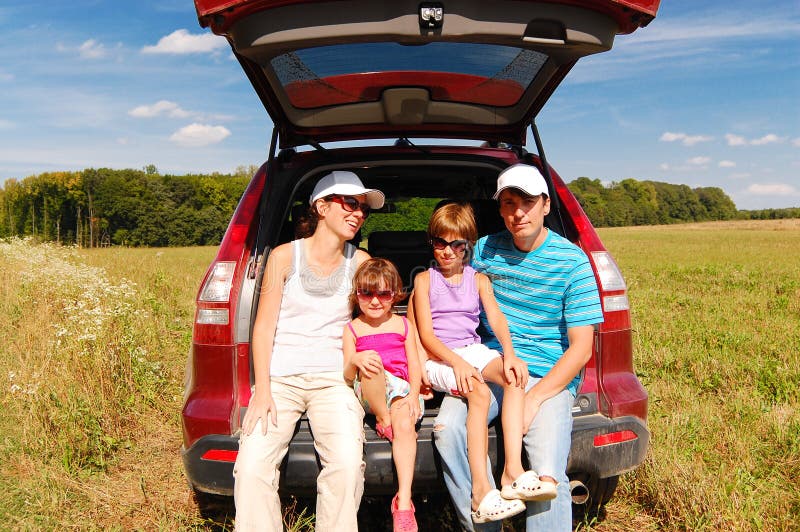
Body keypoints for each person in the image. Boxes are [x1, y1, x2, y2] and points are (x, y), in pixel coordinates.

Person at [432, 164, 604, 531]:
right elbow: (443, 273)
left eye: (527, 202)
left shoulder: (573, 263)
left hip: (548, 377)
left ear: (545, 205)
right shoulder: (484, 250)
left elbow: (581, 350)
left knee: (545, 474)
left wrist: (535, 397)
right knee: (447, 429)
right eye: (509, 203)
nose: (517, 212)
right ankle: (483, 517)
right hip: (492, 365)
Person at [233, 170, 384, 532]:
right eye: (350, 203)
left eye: (363, 208)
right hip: (281, 380)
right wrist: (263, 390)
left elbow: (381, 319)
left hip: (335, 381)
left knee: (347, 464)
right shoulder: (285, 257)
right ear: (321, 206)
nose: (358, 213)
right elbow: (264, 325)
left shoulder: (360, 262)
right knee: (252, 466)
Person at [413, 202, 548, 525]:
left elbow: (497, 319)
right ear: (432, 243)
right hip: (438, 357)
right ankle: (480, 490)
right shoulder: (424, 281)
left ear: (468, 246)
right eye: (440, 243)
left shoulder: (479, 280)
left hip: (471, 349)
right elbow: (427, 337)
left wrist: (510, 353)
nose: (447, 251)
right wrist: (457, 364)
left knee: (515, 376)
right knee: (479, 393)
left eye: (456, 244)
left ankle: (511, 471)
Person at [343, 258, 424, 532]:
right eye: (367, 293)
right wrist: (357, 358)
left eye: (383, 294)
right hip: (369, 390)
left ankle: (403, 502)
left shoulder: (403, 326)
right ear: (357, 295)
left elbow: (415, 364)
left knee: (405, 425)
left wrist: (414, 394)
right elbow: (346, 374)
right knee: (373, 362)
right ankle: (382, 417)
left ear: (395, 295)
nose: (375, 301)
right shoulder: (353, 328)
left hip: (400, 390)